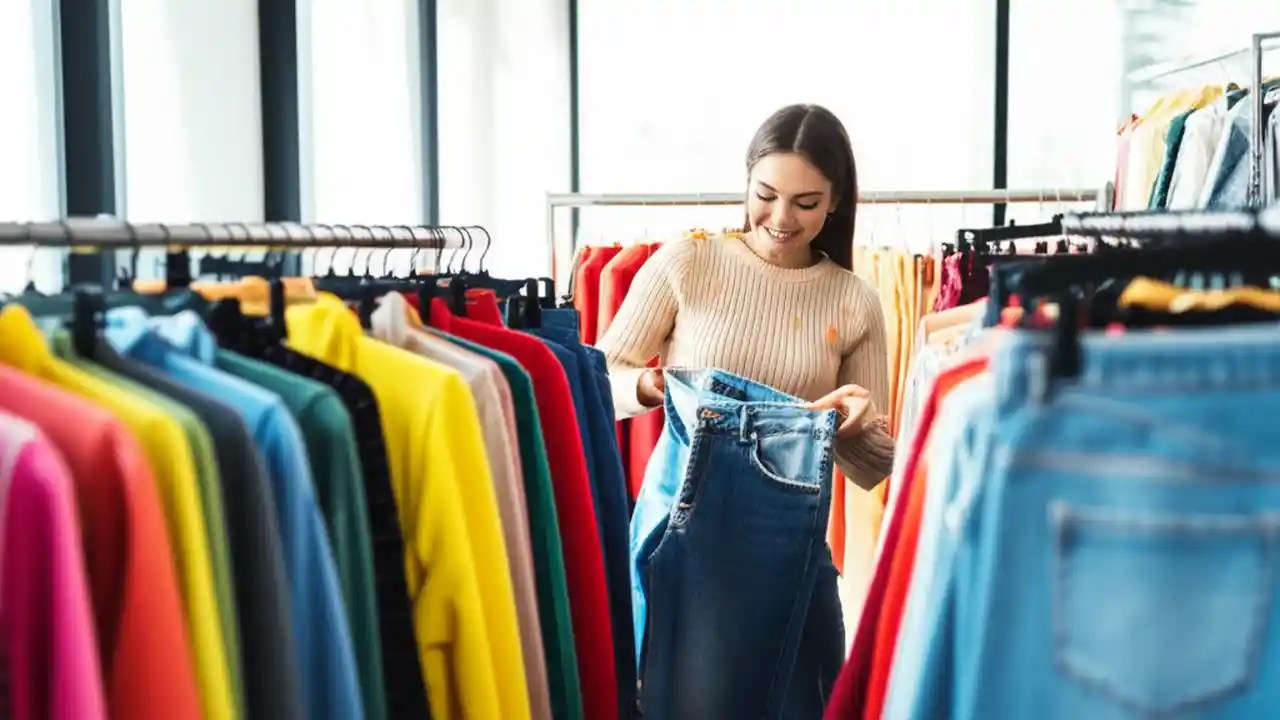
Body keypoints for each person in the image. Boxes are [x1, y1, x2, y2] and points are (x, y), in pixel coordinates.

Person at [595, 103, 894, 490]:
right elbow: (596, 382)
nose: (782, 218)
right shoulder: (687, 263)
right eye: (766, 195)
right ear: (748, 182)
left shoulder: (855, 301)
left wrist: (857, 426)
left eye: (806, 203)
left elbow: (873, 470)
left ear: (834, 202)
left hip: (788, 529)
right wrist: (647, 386)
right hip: (678, 516)